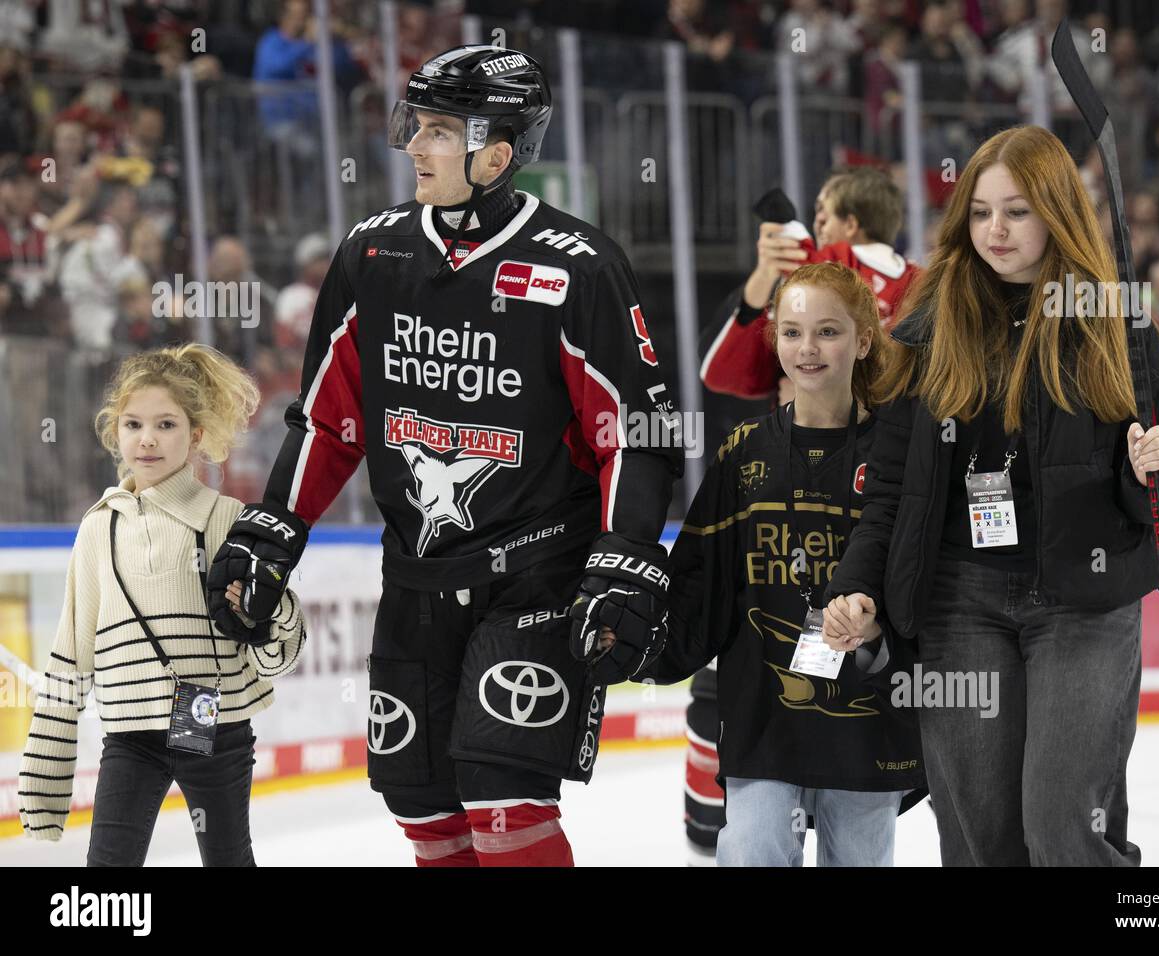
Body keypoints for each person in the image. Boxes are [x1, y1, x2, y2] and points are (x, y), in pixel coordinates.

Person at [205, 46, 683, 867]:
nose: (414, 146)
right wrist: (272, 528)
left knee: (503, 795)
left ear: (496, 154)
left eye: (436, 131)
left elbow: (636, 432)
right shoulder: (372, 255)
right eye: (414, 125)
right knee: (418, 799)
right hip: (416, 575)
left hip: (539, 574)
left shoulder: (577, 268)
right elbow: (328, 420)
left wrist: (626, 561)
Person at [822, 125, 1159, 866]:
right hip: (959, 601)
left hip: (1083, 603)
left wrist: (1153, 465)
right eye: (982, 211)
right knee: (979, 836)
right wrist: (858, 587)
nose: (995, 230)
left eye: (1018, 211)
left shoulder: (1115, 324)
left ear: (1057, 212)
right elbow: (891, 489)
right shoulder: (927, 330)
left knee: (1062, 827)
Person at [640, 262, 925, 867]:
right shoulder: (744, 452)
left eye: (828, 331)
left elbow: (923, 580)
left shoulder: (899, 454)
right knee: (749, 852)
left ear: (864, 339)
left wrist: (880, 628)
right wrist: (637, 639)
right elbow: (699, 584)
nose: (808, 348)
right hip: (764, 715)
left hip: (867, 716)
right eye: (792, 332)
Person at [17, 344, 306, 865]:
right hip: (131, 736)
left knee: (229, 860)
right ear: (116, 431)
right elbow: (70, 657)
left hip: (214, 726)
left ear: (195, 434)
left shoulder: (226, 518)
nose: (147, 438)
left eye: (166, 424)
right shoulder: (97, 528)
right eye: (132, 424)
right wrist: (43, 783)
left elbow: (276, 656)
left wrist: (268, 613)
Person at [700, 166, 921, 401]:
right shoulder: (923, 281)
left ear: (850, 225)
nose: (816, 226)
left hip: (817, 429)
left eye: (823, 216)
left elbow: (727, 373)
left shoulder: (811, 276)